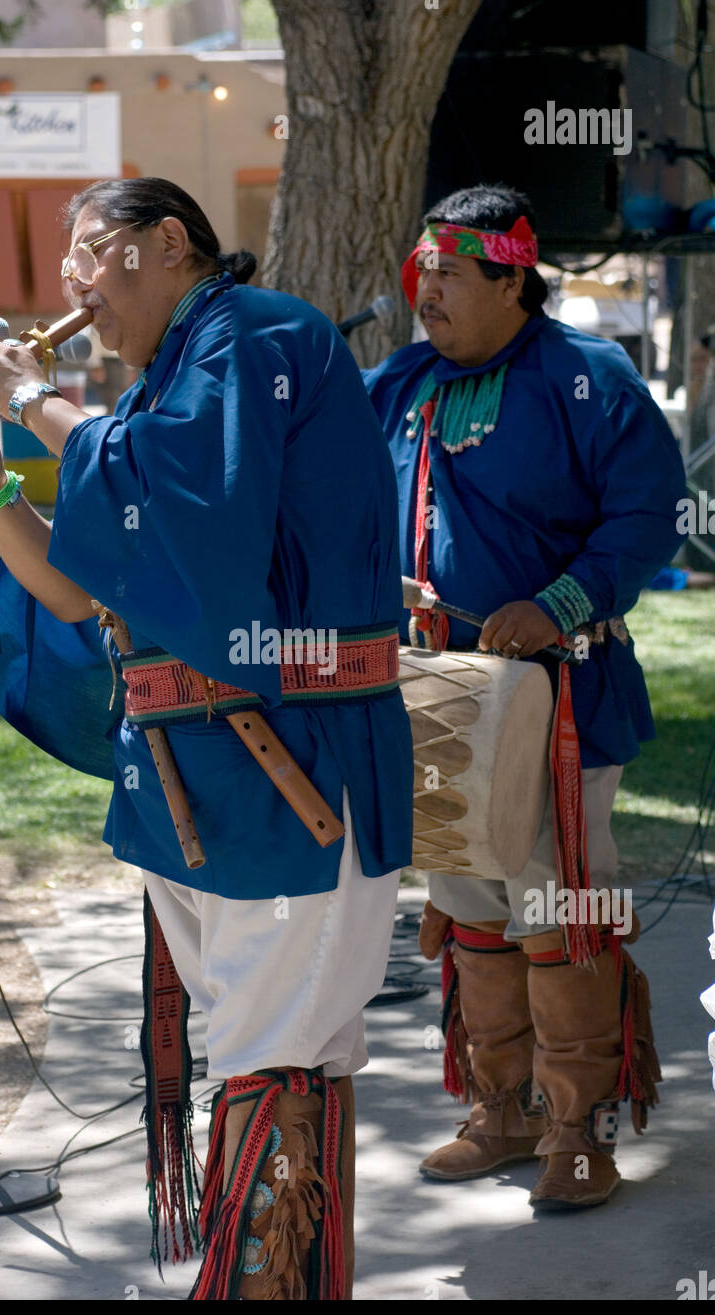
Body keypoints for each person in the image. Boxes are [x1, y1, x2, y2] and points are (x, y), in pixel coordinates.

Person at [0, 176, 413, 1299]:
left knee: (271, 1059)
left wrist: (40, 400)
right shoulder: (160, 390)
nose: (74, 281)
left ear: (171, 242)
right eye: (65, 261)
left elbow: (191, 514)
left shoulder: (257, 334)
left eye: (93, 251)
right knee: (267, 1056)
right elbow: (89, 594)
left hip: (291, 768)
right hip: (196, 778)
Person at [363, 183, 685, 1211]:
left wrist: (556, 602)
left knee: (559, 909)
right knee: (467, 910)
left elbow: (648, 515)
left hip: (563, 698)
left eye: (452, 275)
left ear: (512, 279)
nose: (428, 295)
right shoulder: (399, 384)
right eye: (425, 273)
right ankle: (497, 1111)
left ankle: (572, 1128)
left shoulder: (585, 377)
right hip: (441, 696)